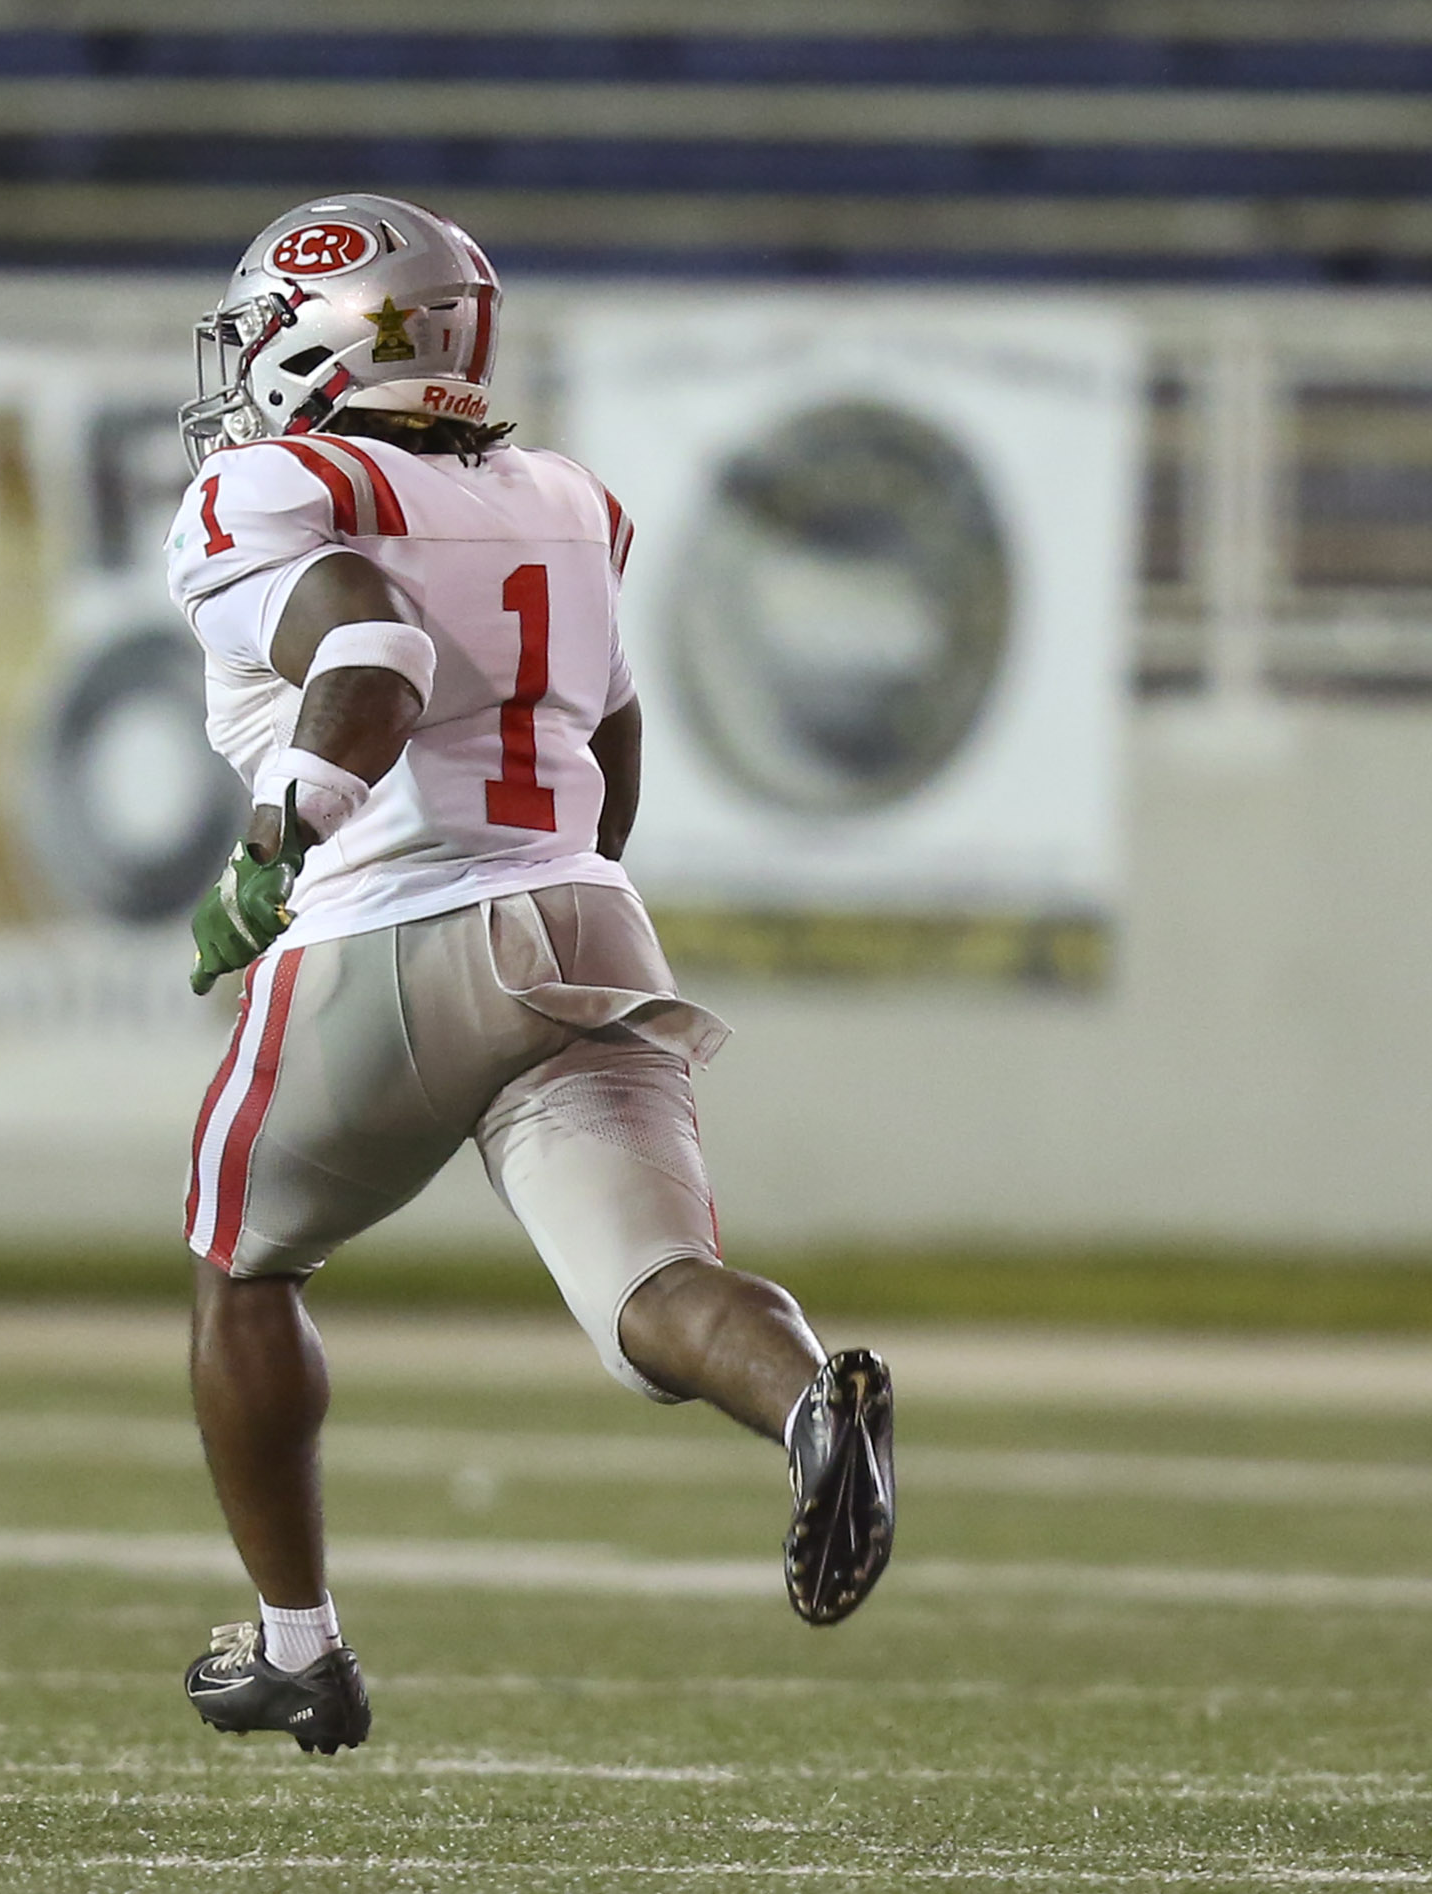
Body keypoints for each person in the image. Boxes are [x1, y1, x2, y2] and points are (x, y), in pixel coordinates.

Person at [162, 194, 895, 1754]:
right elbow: (612, 755)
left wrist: (272, 848)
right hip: (584, 914)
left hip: (389, 929)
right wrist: (548, 885)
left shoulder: (271, 484)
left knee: (242, 1268)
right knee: (652, 1290)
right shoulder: (564, 496)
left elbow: (374, 661)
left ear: (319, 334)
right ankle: (812, 1404)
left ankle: (300, 1648)